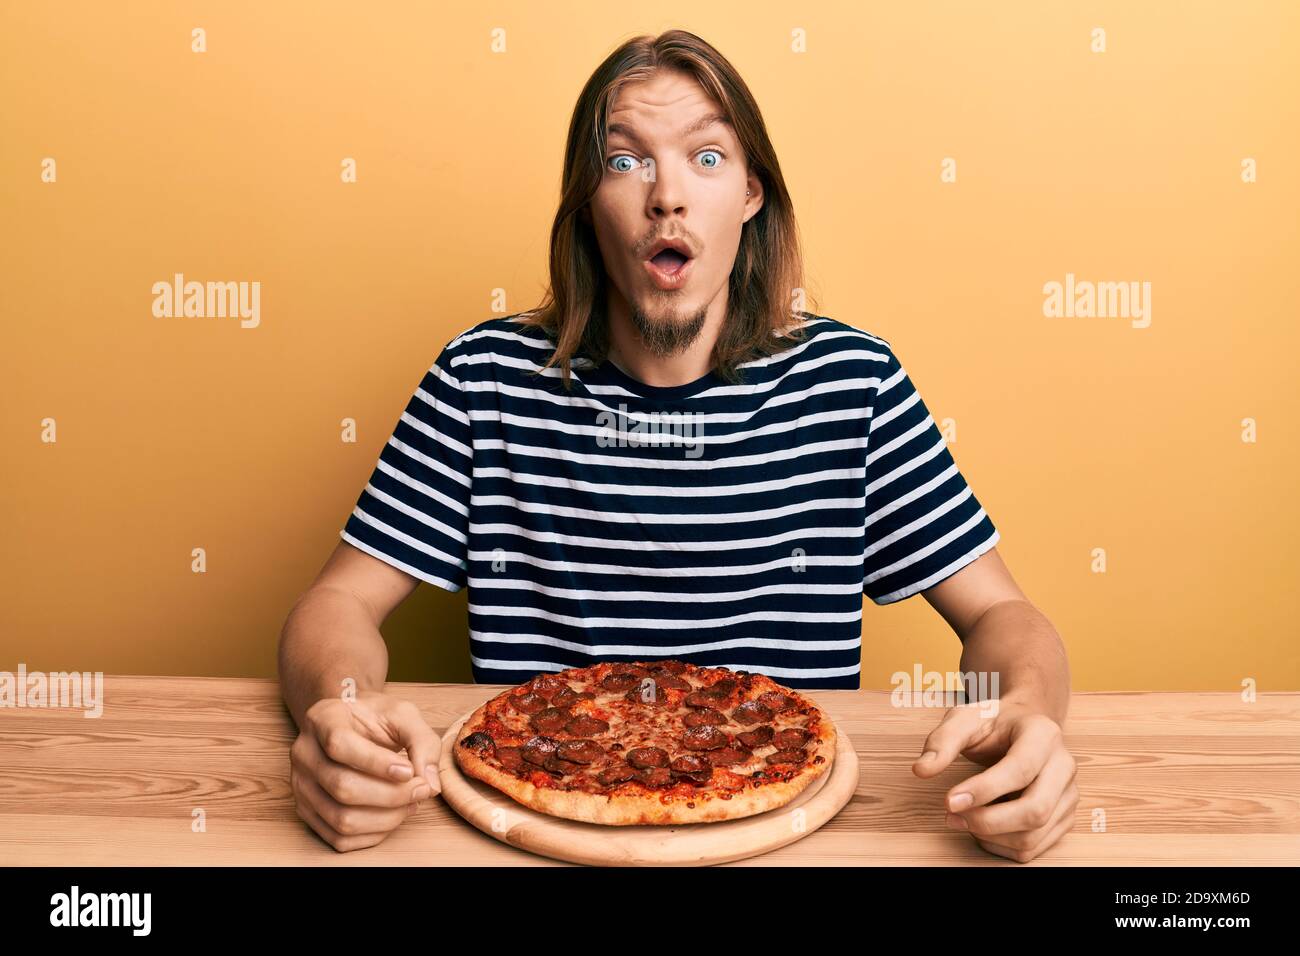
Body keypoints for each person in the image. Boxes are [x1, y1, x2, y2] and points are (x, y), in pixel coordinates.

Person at [278, 30, 1075, 861]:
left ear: (751, 195)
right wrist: (339, 708)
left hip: (797, 842)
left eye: (705, 158)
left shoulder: (852, 382)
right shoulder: (485, 378)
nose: (667, 196)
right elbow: (334, 607)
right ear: (588, 203)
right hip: (528, 838)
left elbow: (1004, 615)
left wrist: (1025, 709)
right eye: (625, 163)